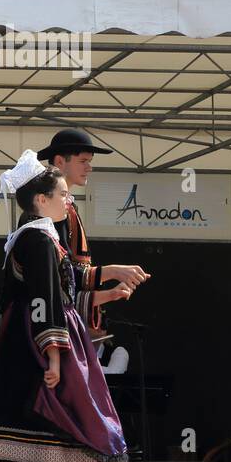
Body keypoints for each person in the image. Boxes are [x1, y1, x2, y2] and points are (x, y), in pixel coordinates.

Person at [0, 150, 145, 462]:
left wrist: (110, 288)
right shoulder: (38, 239)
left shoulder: (42, 238)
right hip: (34, 346)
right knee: (69, 420)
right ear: (41, 200)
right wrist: (56, 357)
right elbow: (45, 300)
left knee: (43, 424)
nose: (69, 200)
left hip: (34, 342)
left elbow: (64, 288)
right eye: (62, 193)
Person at [32, 128, 149, 334]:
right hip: (45, 325)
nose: (89, 167)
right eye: (83, 161)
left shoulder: (67, 208)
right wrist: (111, 271)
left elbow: (65, 282)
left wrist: (110, 292)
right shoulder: (47, 213)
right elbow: (58, 275)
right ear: (60, 161)